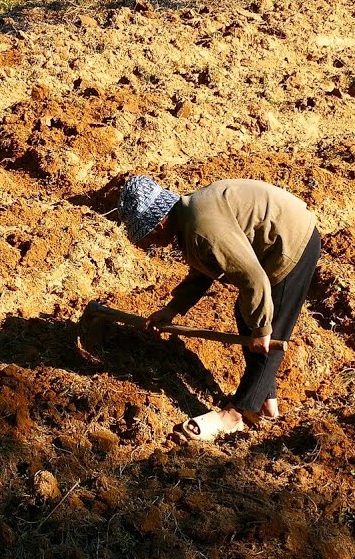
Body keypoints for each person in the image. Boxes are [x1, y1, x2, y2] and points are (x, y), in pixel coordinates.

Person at [117, 175, 322, 441]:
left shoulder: (203, 227)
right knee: (248, 315)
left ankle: (235, 415)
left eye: (148, 236)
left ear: (160, 223)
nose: (150, 244)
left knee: (270, 331)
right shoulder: (188, 219)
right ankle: (266, 404)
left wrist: (261, 328)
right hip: (275, 242)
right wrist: (173, 309)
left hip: (292, 242)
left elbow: (253, 278)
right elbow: (205, 271)